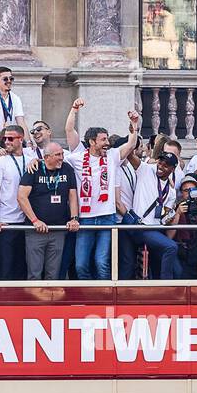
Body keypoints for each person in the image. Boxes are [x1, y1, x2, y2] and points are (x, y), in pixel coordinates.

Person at [65, 108, 141, 280]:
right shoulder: (77, 157)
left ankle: (104, 298)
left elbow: (130, 144)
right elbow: (68, 132)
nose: (107, 143)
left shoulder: (112, 156)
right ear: (92, 142)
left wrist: (135, 125)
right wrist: (74, 110)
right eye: (103, 139)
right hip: (85, 218)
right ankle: (89, 297)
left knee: (102, 262)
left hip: (107, 217)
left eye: (107, 139)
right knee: (81, 264)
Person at [18, 142, 79, 280]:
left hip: (58, 229)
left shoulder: (67, 168)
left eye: (62, 154)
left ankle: (50, 301)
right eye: (58, 155)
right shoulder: (35, 168)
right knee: (34, 272)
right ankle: (34, 301)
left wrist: (74, 218)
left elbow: (72, 195)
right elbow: (21, 196)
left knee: (53, 273)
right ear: (46, 157)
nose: (62, 158)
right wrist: (35, 220)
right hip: (36, 231)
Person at [121, 151, 183, 279]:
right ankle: (165, 288)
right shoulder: (146, 169)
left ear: (173, 169)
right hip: (140, 226)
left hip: (156, 228)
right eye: (160, 162)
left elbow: (165, 217)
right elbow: (130, 155)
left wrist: (171, 215)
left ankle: (158, 289)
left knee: (176, 269)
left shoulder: (171, 191)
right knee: (171, 247)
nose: (161, 166)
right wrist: (133, 135)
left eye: (166, 165)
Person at [0, 125, 33, 280]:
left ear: (21, 139)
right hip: (6, 221)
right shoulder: (0, 161)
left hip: (26, 220)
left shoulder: (30, 159)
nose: (6, 141)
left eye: (11, 138)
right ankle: (3, 301)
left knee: (23, 265)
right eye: (4, 138)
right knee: (6, 266)